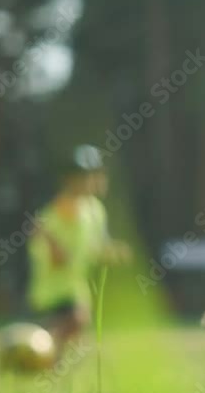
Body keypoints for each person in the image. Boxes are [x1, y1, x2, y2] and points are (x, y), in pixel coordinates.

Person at [27, 145, 129, 354]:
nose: (85, 181)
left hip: (76, 286)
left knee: (72, 336)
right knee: (75, 321)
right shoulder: (60, 208)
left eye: (90, 175)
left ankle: (44, 365)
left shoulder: (95, 209)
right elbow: (39, 236)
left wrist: (112, 251)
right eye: (79, 176)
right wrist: (53, 248)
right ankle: (34, 351)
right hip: (53, 285)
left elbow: (96, 245)